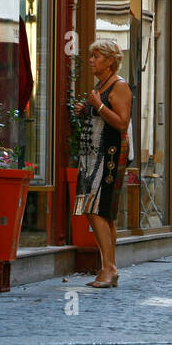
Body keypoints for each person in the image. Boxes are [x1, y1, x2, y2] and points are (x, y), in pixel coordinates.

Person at [73, 40, 132, 287]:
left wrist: (97, 105)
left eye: (96, 56)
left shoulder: (119, 86)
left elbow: (121, 123)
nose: (91, 60)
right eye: (91, 56)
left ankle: (109, 267)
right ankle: (108, 267)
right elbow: (101, 115)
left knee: (96, 209)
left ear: (110, 60)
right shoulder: (102, 85)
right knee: (101, 211)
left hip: (107, 155)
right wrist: (85, 110)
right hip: (92, 154)